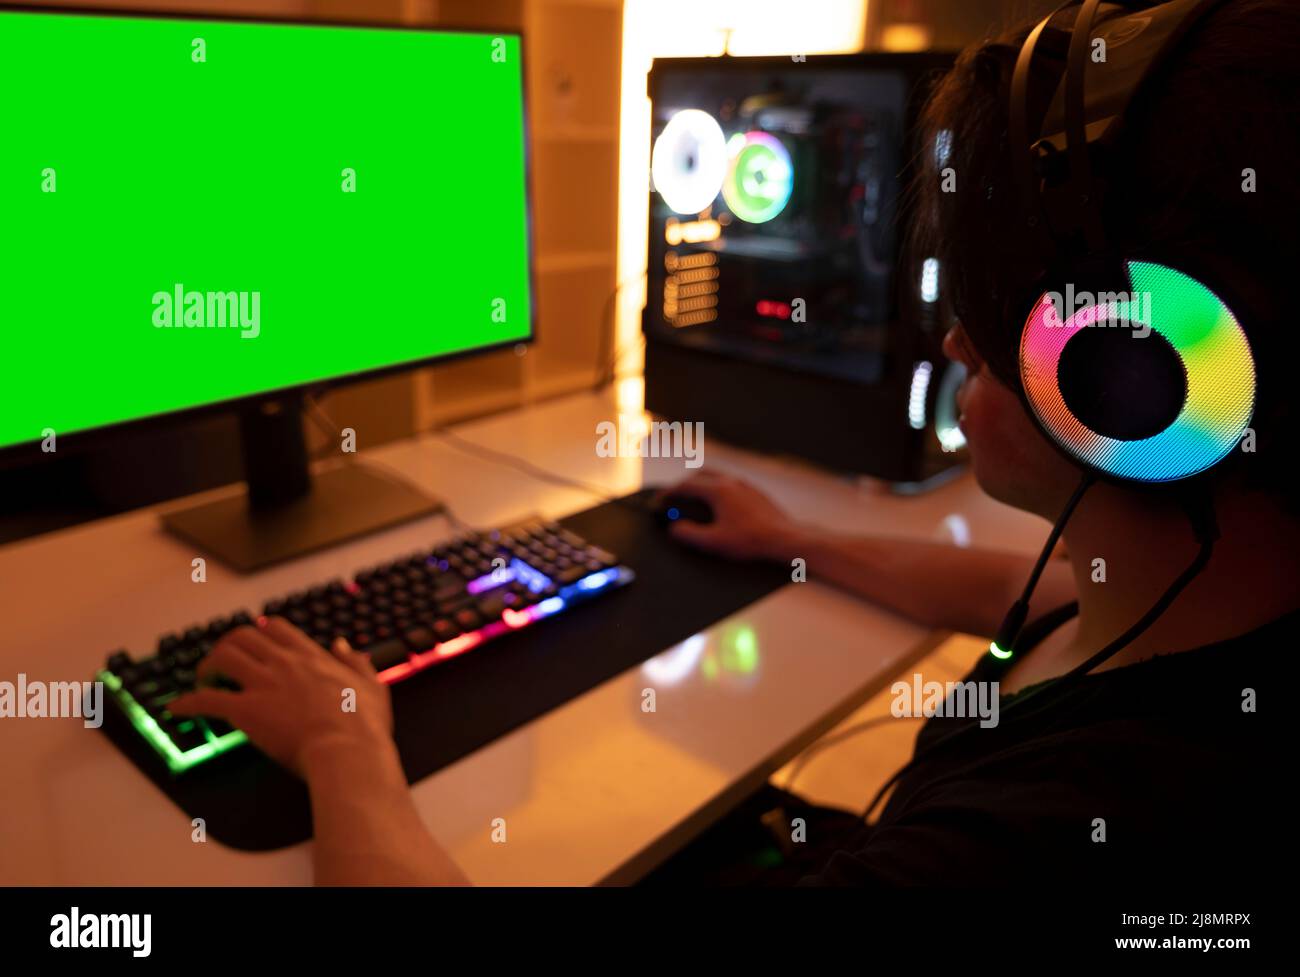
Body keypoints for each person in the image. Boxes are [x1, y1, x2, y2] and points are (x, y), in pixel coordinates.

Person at [170, 0, 1299, 885]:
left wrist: (342, 750)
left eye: (995, 307)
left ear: (1133, 378)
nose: (952, 334)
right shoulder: (1197, 599)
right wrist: (794, 538)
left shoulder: (1048, 839)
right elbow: (1037, 586)